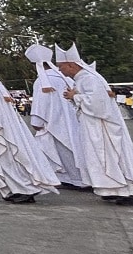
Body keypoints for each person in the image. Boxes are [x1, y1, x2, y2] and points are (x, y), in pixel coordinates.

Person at [0, 50, 59, 204]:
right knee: (7, 161)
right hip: (3, 127)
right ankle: (17, 188)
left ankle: (26, 190)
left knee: (6, 161)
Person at [56, 43, 133, 204]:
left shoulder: (88, 79)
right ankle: (115, 189)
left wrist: (75, 97)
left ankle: (131, 190)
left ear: (71, 65)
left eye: (61, 66)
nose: (60, 70)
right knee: (104, 159)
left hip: (103, 128)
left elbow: (98, 105)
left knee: (112, 158)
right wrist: (74, 97)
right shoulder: (82, 79)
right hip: (93, 126)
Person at [25, 44, 89, 189]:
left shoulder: (42, 81)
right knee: (76, 149)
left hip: (54, 123)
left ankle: (76, 180)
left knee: (63, 152)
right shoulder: (66, 78)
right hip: (75, 120)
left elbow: (41, 105)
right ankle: (79, 178)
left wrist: (37, 122)